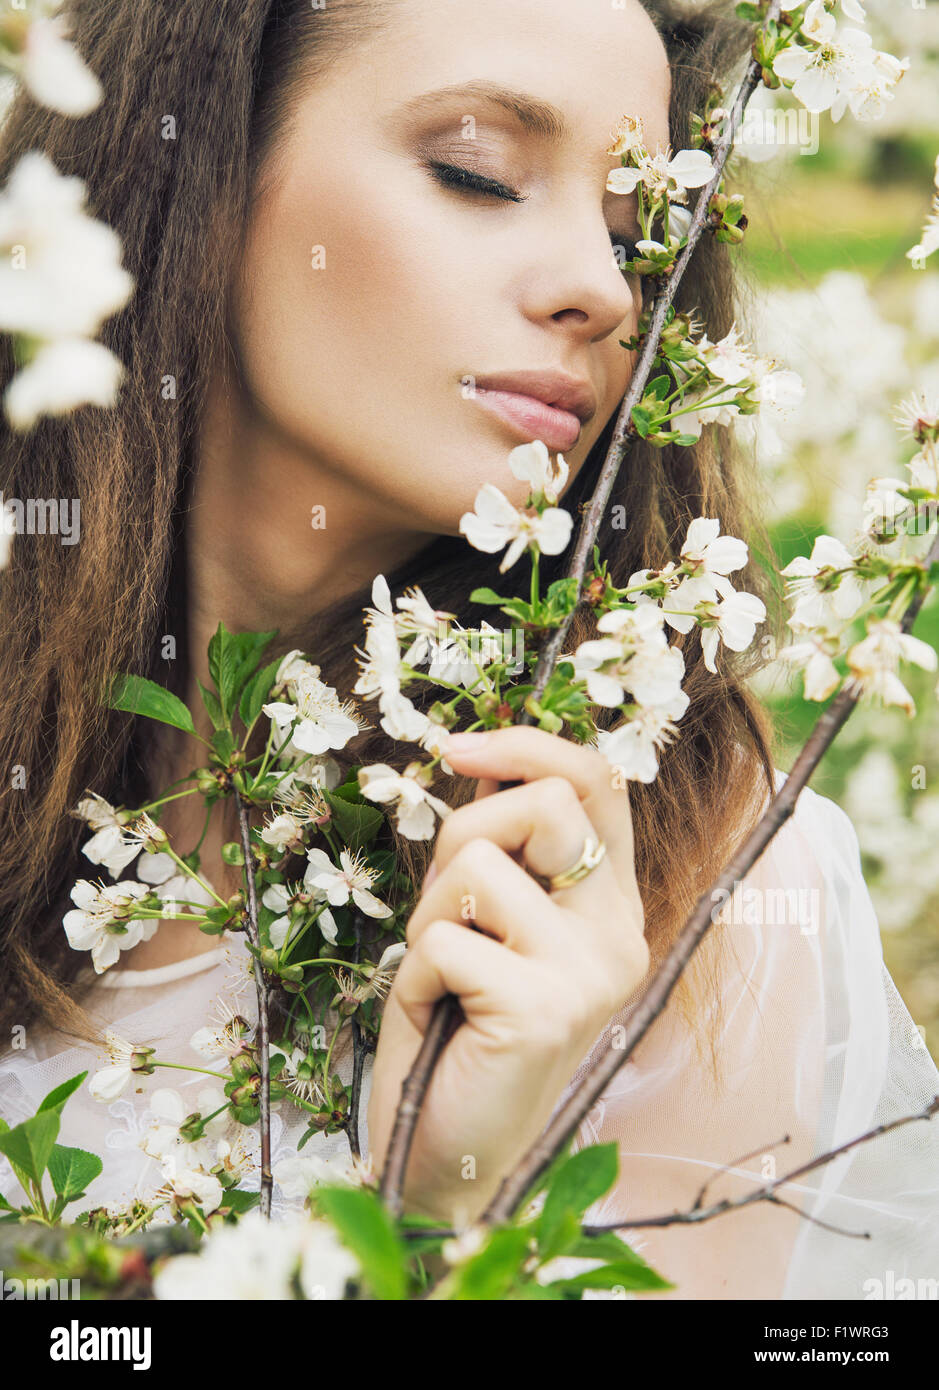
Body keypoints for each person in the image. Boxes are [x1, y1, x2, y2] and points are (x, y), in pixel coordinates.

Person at [0, 0, 936, 1300]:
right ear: (195, 162)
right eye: (479, 171)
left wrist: (440, 1215)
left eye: (633, 235)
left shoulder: (689, 906)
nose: (605, 292)